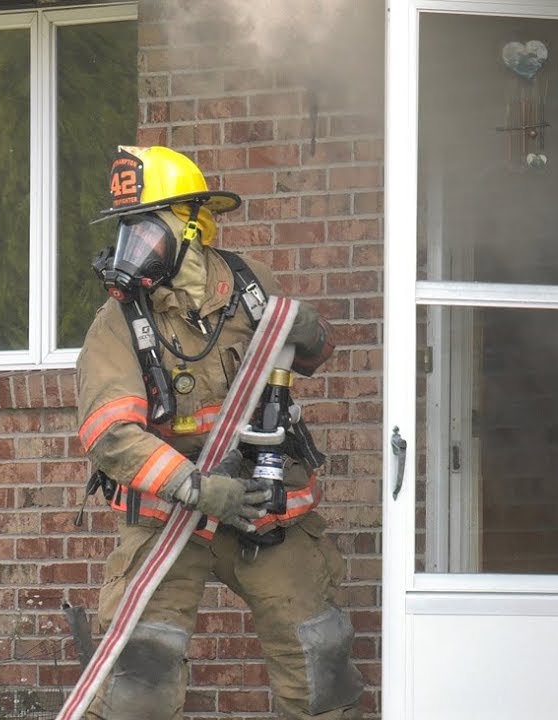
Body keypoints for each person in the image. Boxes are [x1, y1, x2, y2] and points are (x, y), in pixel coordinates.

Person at [75, 145, 363, 720]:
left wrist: (307, 327)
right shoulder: (118, 323)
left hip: (267, 509)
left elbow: (315, 352)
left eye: (144, 226)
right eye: (126, 229)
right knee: (141, 677)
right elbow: (110, 434)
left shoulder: (252, 285)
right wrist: (196, 486)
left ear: (191, 223)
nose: (132, 244)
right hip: (171, 518)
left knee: (318, 660)